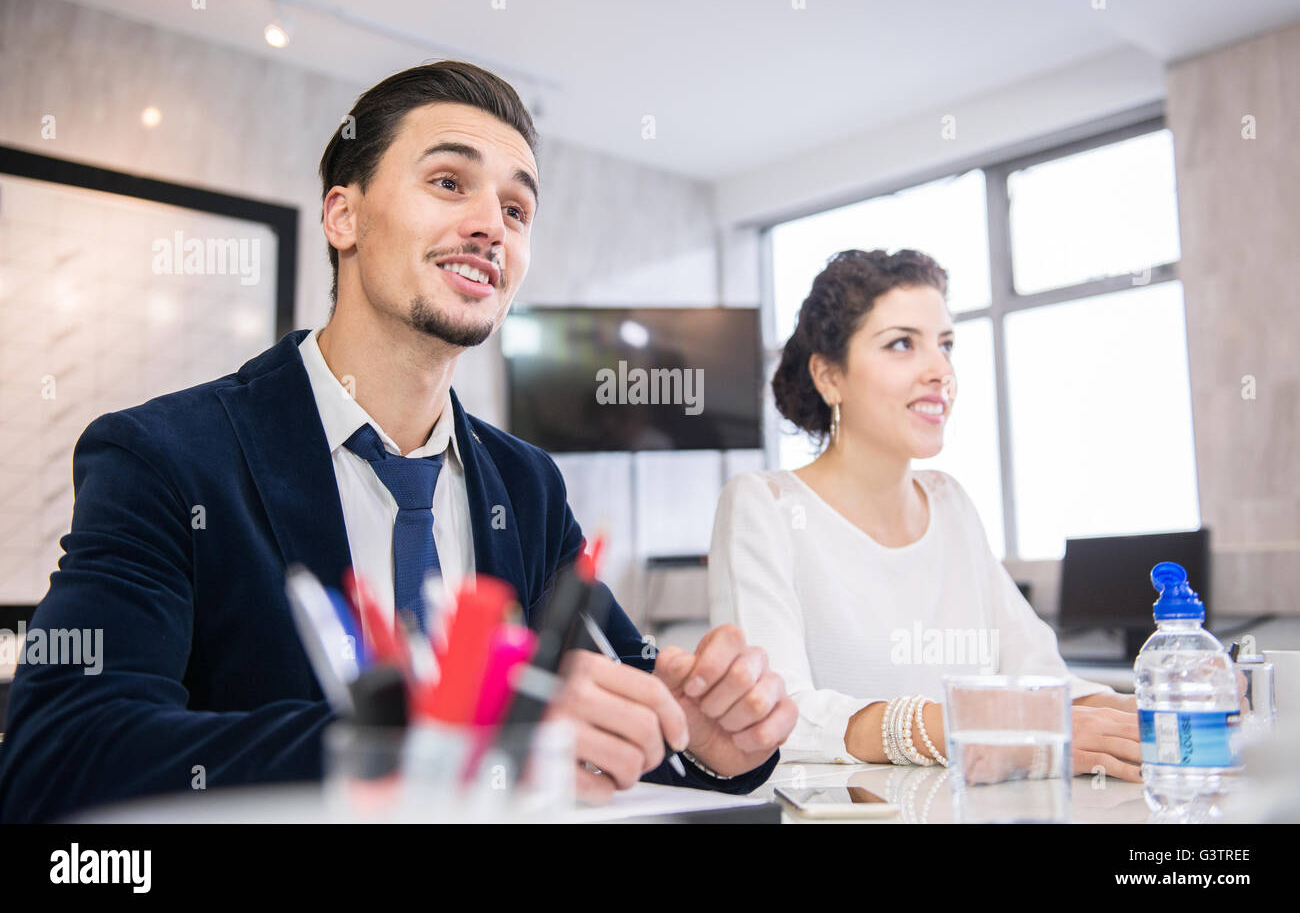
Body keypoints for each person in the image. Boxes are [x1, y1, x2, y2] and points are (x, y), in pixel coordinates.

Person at [0, 61, 795, 822]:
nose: (492, 225)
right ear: (343, 215)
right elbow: (61, 754)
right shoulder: (164, 456)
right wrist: (430, 735)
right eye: (449, 183)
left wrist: (701, 738)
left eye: (518, 211)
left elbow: (599, 724)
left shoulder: (527, 487)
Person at [707, 249, 1140, 780]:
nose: (940, 371)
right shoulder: (764, 506)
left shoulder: (950, 502)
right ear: (829, 376)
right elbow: (774, 717)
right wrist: (973, 727)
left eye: (947, 345)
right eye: (902, 344)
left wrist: (1145, 705)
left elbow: (1039, 678)